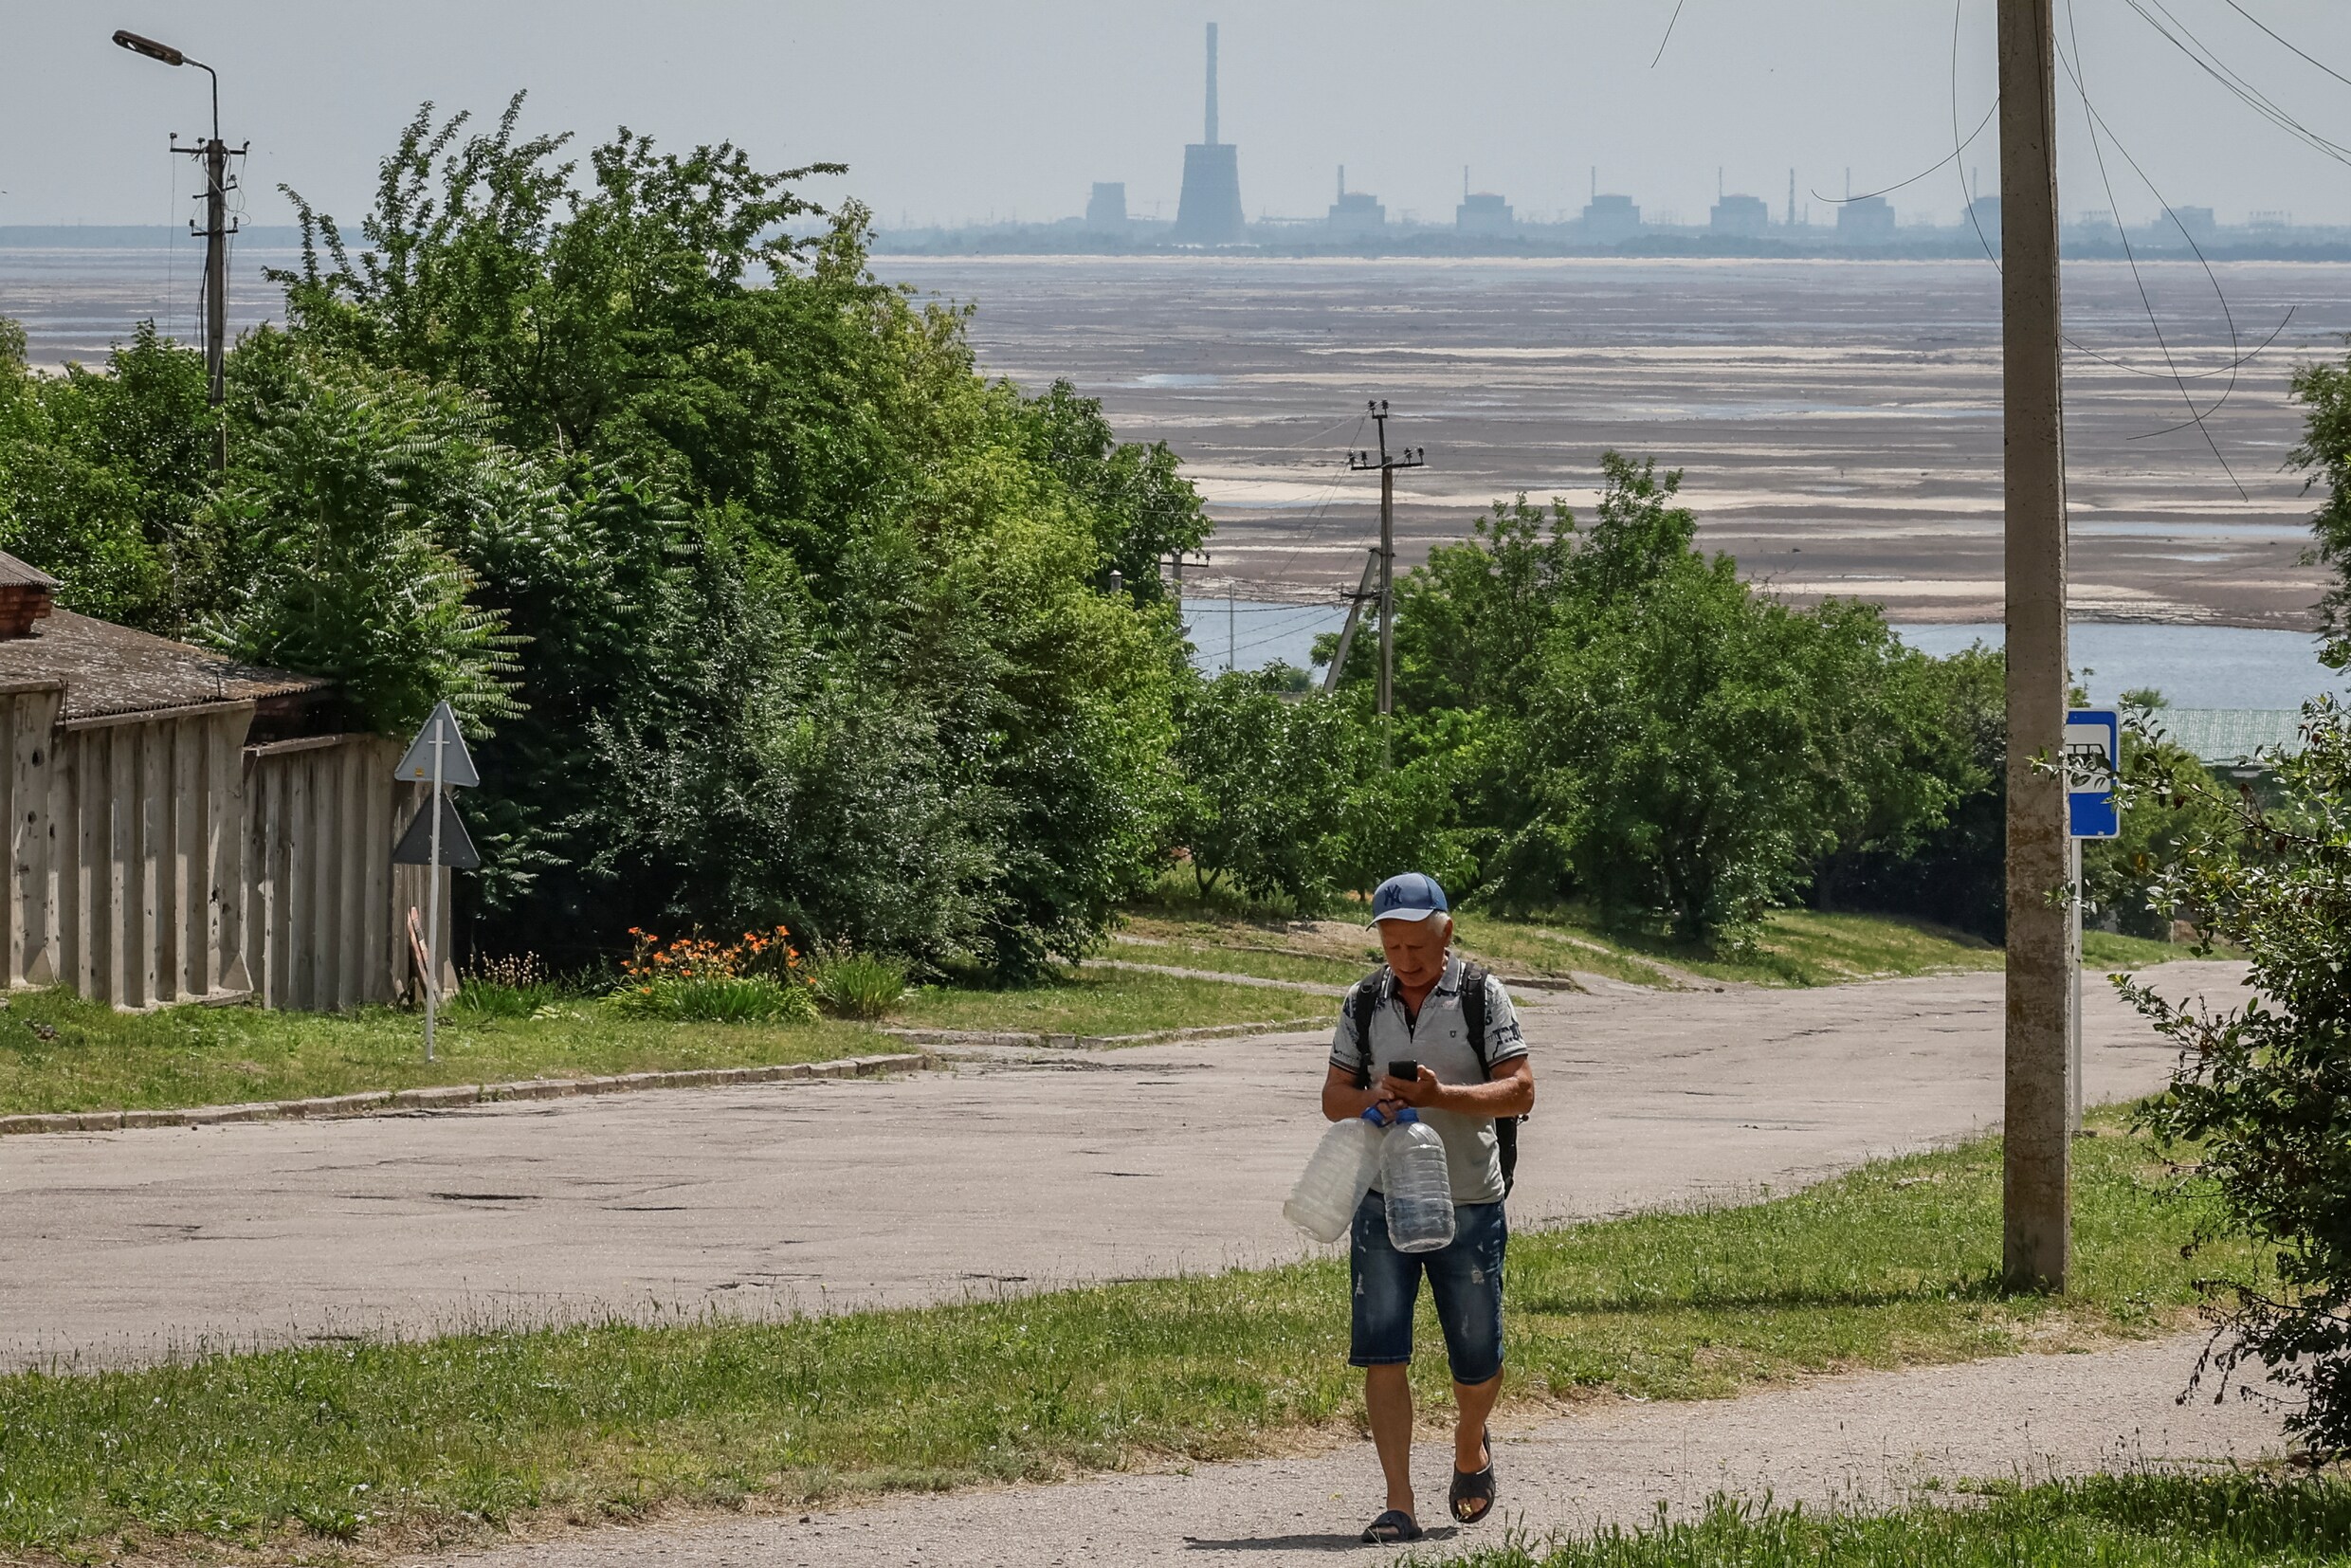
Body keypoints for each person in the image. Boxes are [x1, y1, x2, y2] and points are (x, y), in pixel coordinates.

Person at [1322, 870, 1534, 1545]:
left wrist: (1442, 1097)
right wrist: (1372, 1100)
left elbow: (1521, 1090)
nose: (1406, 960)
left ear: (1447, 934)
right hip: (1383, 1200)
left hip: (1468, 1199)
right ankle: (1399, 1503)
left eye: (1418, 946)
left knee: (1476, 1354)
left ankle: (1470, 1441)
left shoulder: (1480, 995)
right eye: (1393, 947)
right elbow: (1333, 1098)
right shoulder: (1363, 1000)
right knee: (1383, 1351)